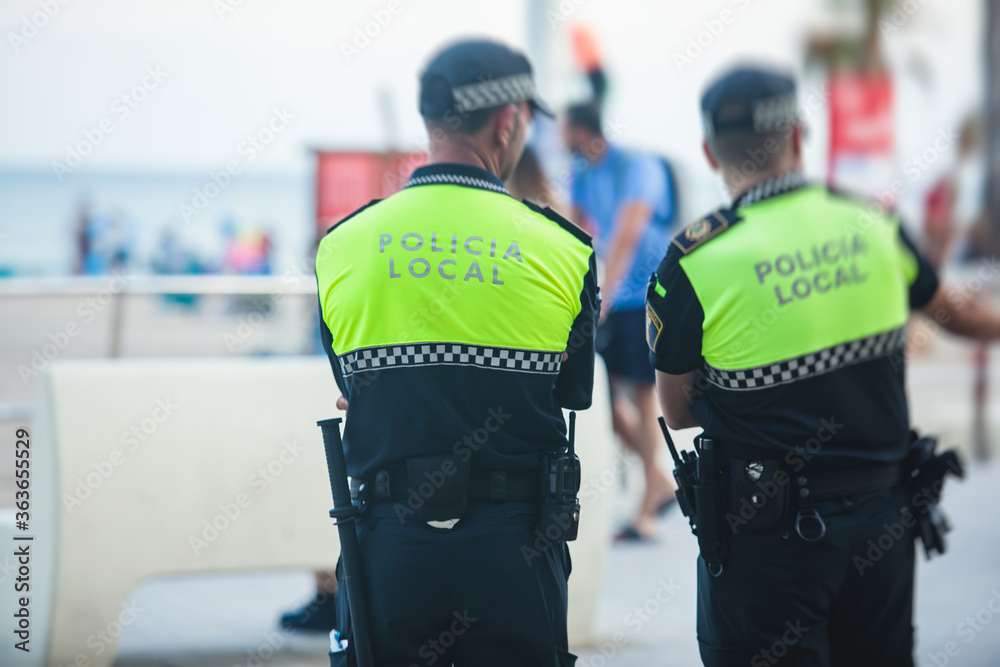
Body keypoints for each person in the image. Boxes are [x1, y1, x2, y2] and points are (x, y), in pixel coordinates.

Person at [648, 65, 1000, 667]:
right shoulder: (874, 224)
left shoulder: (693, 261)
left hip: (767, 542)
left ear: (710, 151)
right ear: (799, 133)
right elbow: (957, 315)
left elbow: (677, 413)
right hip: (882, 526)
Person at [315, 39, 598, 665]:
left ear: (429, 119)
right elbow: (573, 393)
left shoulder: (343, 244)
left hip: (387, 548)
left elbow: (352, 384)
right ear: (509, 120)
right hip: (515, 550)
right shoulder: (564, 249)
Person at [564, 102, 676, 541]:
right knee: (606, 402)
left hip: (648, 290)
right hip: (614, 297)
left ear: (584, 131)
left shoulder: (636, 165)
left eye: (568, 134)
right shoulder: (583, 173)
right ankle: (659, 483)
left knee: (644, 395)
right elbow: (574, 228)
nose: (563, 145)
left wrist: (601, 300)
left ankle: (648, 503)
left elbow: (628, 235)